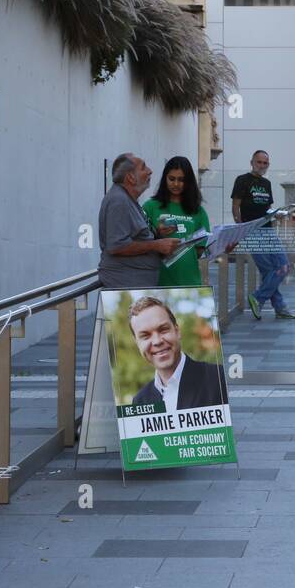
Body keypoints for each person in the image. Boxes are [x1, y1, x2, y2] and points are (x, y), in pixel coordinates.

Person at [128, 296, 229, 410]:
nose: (157, 341)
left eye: (163, 329)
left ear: (177, 331)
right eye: (145, 335)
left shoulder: (219, 378)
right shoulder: (139, 401)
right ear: (137, 343)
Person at [232, 150, 295, 320]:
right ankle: (280, 308)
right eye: (259, 162)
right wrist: (241, 229)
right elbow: (235, 207)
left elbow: (267, 209)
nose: (261, 165)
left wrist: (278, 214)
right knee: (268, 270)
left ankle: (258, 298)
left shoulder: (267, 184)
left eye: (265, 163)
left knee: (283, 266)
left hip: (268, 229)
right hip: (252, 230)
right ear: (252, 162)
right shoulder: (242, 180)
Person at [99, 153, 181, 289]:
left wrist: (158, 236)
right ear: (130, 177)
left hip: (135, 283)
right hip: (127, 284)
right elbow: (116, 246)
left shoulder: (127, 199)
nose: (150, 171)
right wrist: (156, 245)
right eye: (143, 168)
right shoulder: (119, 201)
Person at [143, 156, 211, 288]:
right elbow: (139, 242)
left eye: (181, 180)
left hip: (189, 282)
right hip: (157, 282)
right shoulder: (150, 207)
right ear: (165, 179)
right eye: (171, 179)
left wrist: (222, 246)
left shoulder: (198, 211)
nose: (176, 184)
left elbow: (201, 251)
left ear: (189, 182)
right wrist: (158, 235)